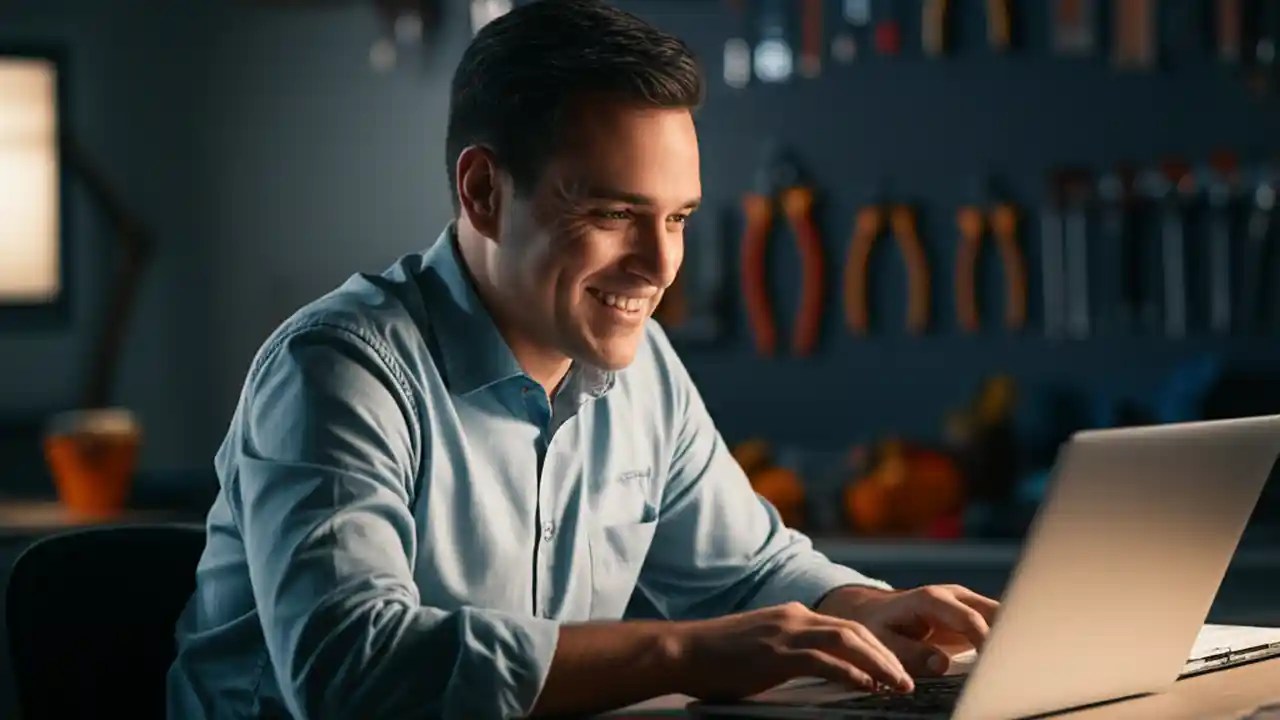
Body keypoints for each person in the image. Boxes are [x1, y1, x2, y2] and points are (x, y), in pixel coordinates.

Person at [166, 0, 999, 717]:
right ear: (484, 193)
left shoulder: (645, 369)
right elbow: (353, 673)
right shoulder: (339, 371)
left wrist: (858, 607)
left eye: (676, 219)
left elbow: (747, 571)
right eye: (613, 212)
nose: (658, 265)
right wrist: (683, 655)